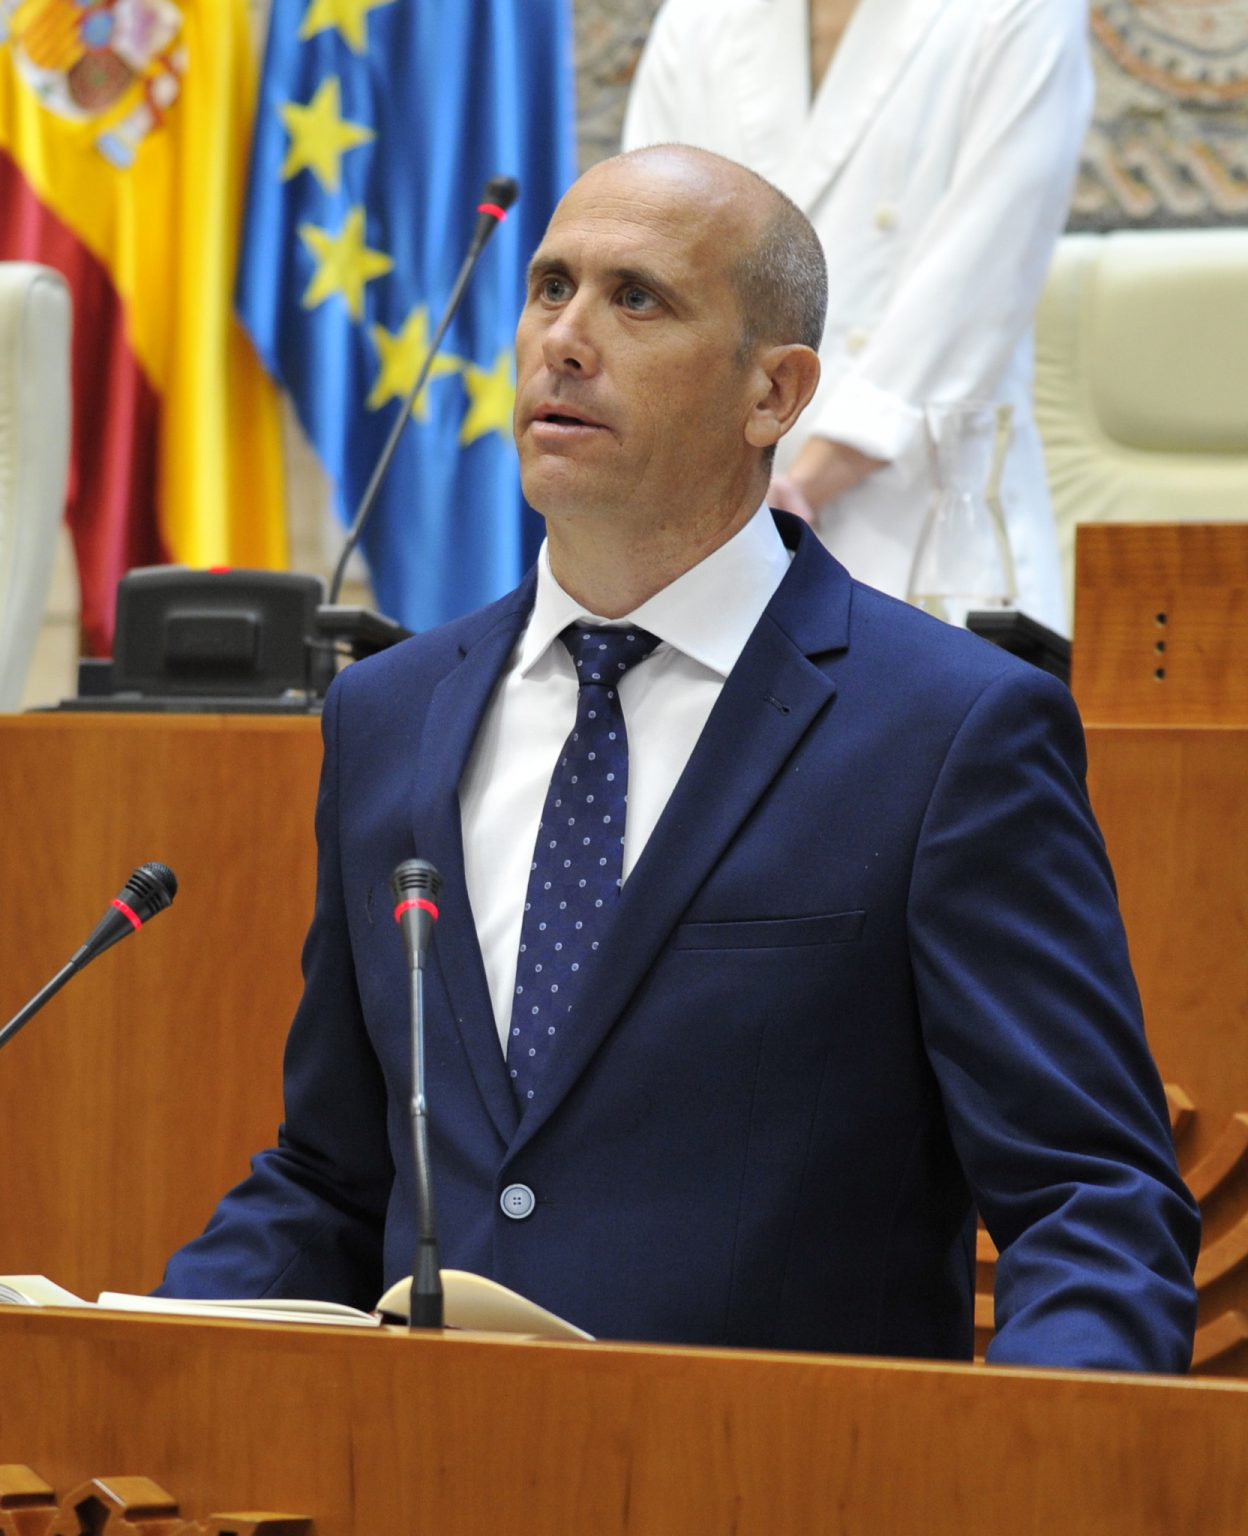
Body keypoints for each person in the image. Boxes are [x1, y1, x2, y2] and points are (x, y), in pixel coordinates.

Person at [159, 146, 1198, 1370]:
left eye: (636, 299)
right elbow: (337, 1176)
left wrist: (1033, 1471)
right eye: (550, 288)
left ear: (775, 394)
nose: (566, 339)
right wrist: (145, 1363)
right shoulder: (387, 713)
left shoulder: (951, 731)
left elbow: (1090, 1200)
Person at [623, 0, 1093, 633]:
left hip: (924, 524)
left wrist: (795, 493)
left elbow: (979, 278)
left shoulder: (1022, 12)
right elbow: (644, 242)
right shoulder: (698, 17)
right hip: (711, 530)